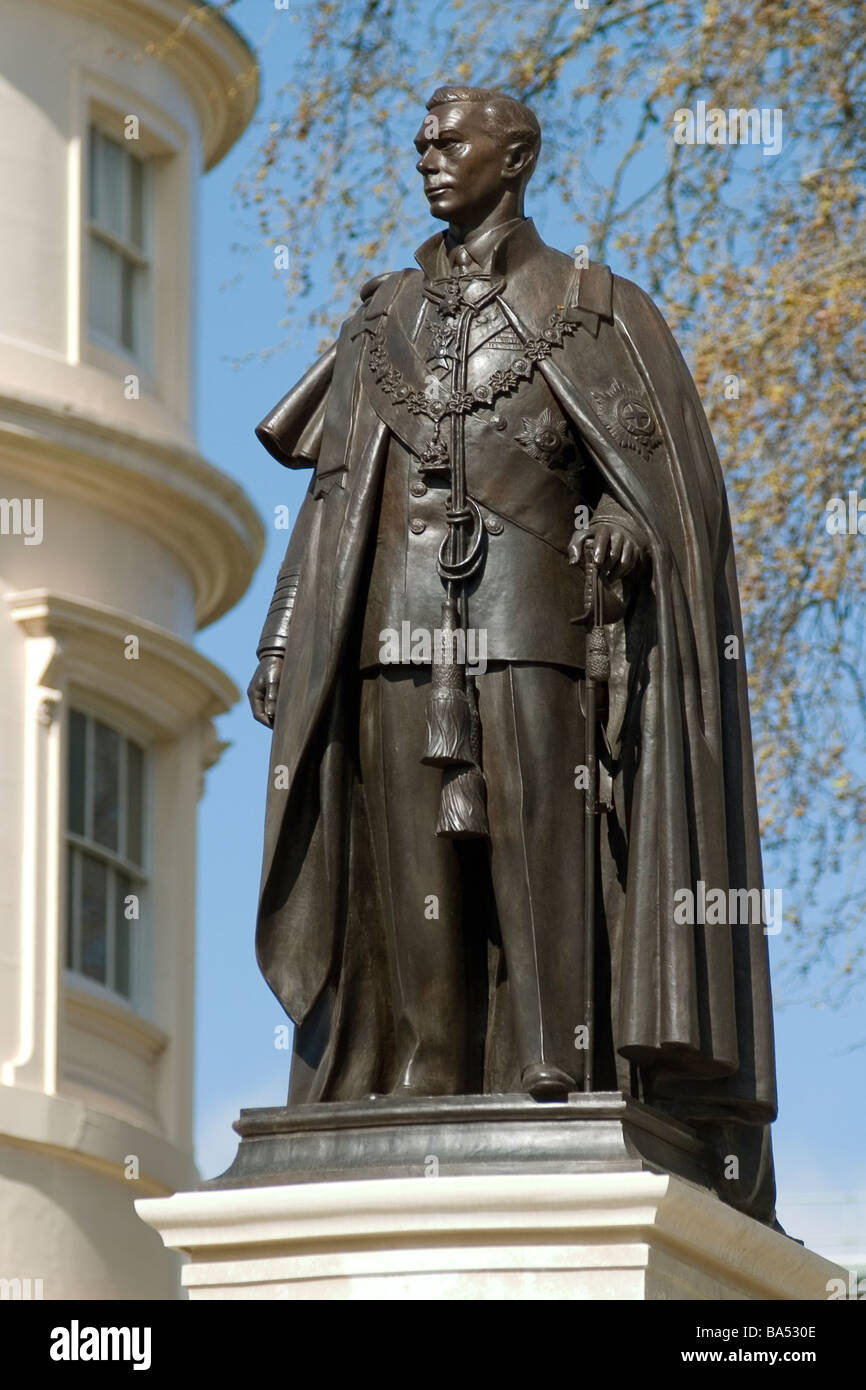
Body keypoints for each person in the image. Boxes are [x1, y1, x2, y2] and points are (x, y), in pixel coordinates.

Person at [248, 85, 778, 1222]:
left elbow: (664, 492)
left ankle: (556, 1056)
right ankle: (425, 1065)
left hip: (531, 621)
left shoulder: (594, 310)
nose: (428, 151)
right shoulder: (380, 314)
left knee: (540, 832)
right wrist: (285, 634)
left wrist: (631, 528)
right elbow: (331, 498)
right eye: (421, 136)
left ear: (517, 156)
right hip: (389, 623)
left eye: (453, 137)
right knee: (406, 855)